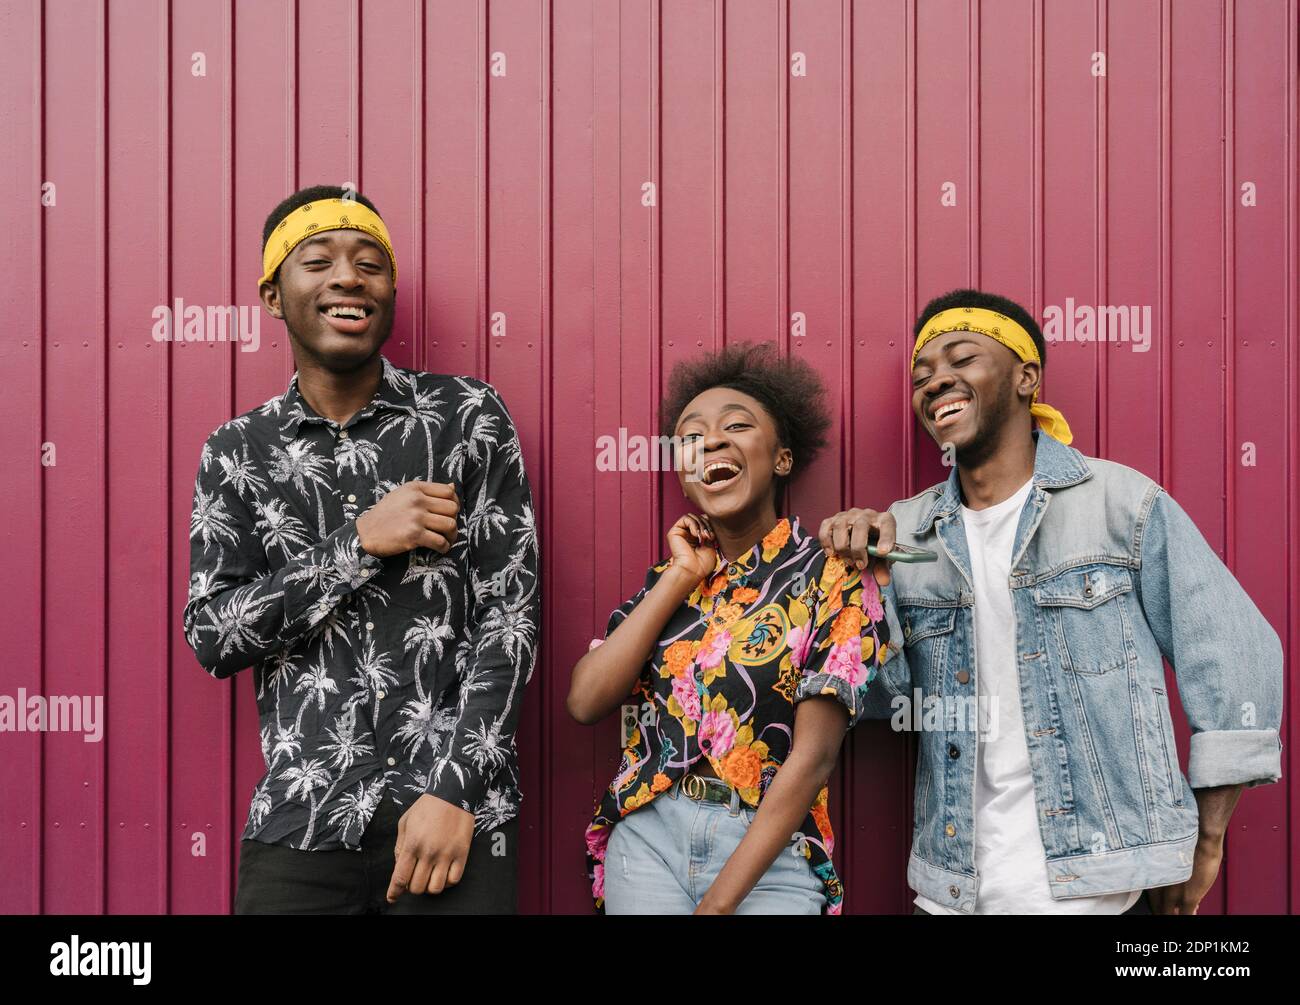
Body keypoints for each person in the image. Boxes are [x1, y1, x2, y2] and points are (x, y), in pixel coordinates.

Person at [819, 288, 1284, 915]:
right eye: (922, 376)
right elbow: (884, 702)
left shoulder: (1120, 505)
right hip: (954, 891)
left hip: (1104, 886)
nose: (936, 383)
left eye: (963, 359)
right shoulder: (906, 532)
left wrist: (1205, 838)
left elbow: (1236, 656)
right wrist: (859, 589)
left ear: (1025, 377)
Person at [182, 184, 539, 914]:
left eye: (371, 264)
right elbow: (213, 635)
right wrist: (358, 543)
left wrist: (454, 788)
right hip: (301, 820)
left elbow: (510, 622)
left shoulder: (466, 417)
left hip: (449, 824)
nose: (349, 276)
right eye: (318, 260)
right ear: (274, 296)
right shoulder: (236, 451)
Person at [568, 342, 894, 914]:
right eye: (691, 436)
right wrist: (679, 577)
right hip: (647, 844)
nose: (711, 440)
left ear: (783, 459)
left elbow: (814, 758)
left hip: (771, 857)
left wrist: (717, 905)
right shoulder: (667, 584)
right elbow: (586, 700)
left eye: (737, 426)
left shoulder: (833, 576)